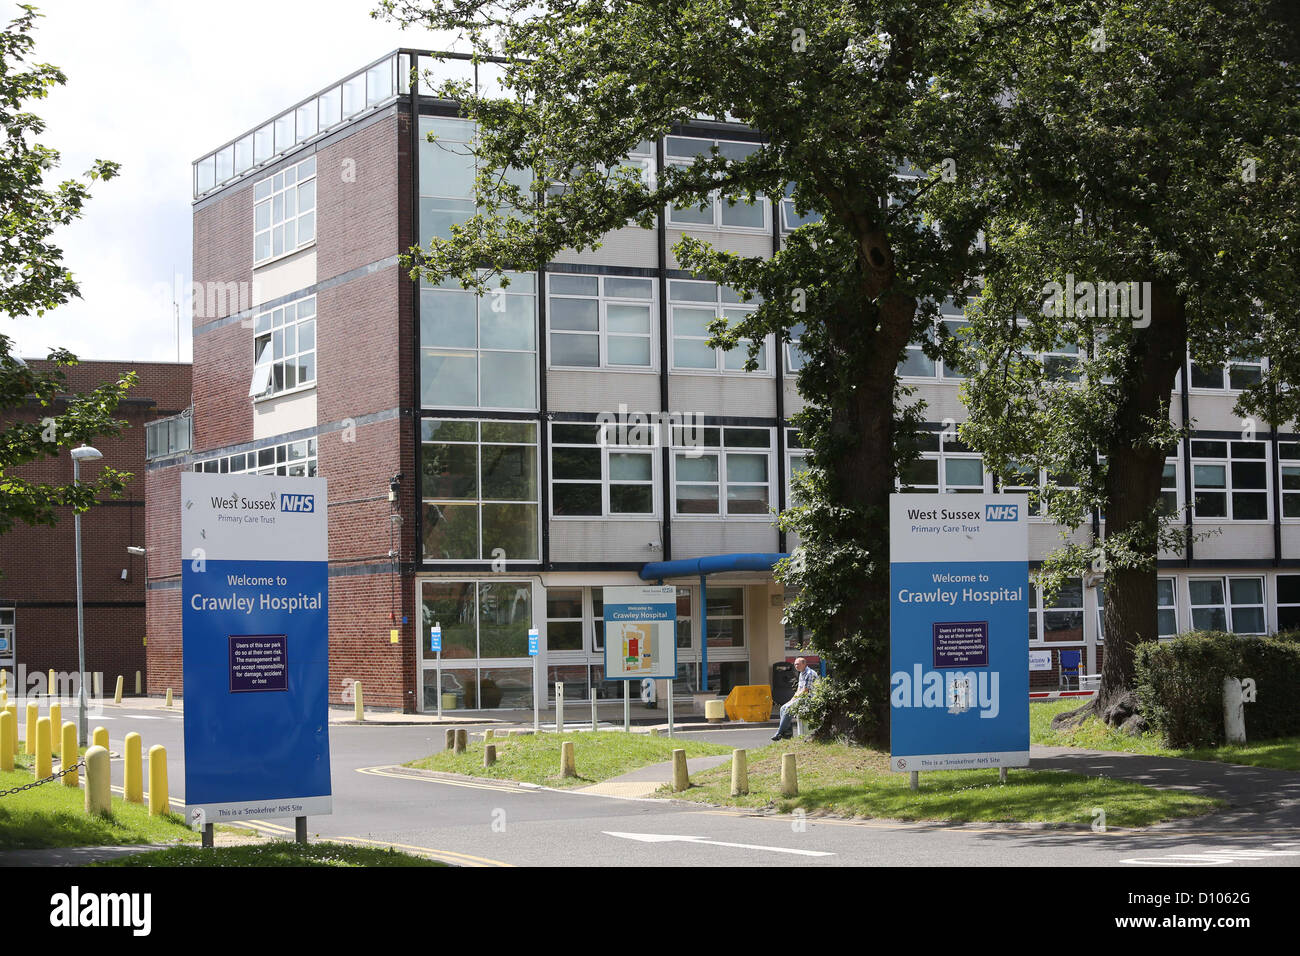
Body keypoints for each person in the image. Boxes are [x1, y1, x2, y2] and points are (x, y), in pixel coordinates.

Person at [772, 657, 817, 740]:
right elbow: (799, 690)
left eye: (798, 664)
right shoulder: (802, 673)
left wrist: (794, 700)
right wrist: (792, 700)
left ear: (804, 664)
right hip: (802, 697)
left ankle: (779, 733)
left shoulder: (809, 673)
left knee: (788, 709)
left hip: (809, 699)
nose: (796, 666)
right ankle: (788, 734)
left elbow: (805, 691)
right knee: (783, 708)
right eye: (795, 664)